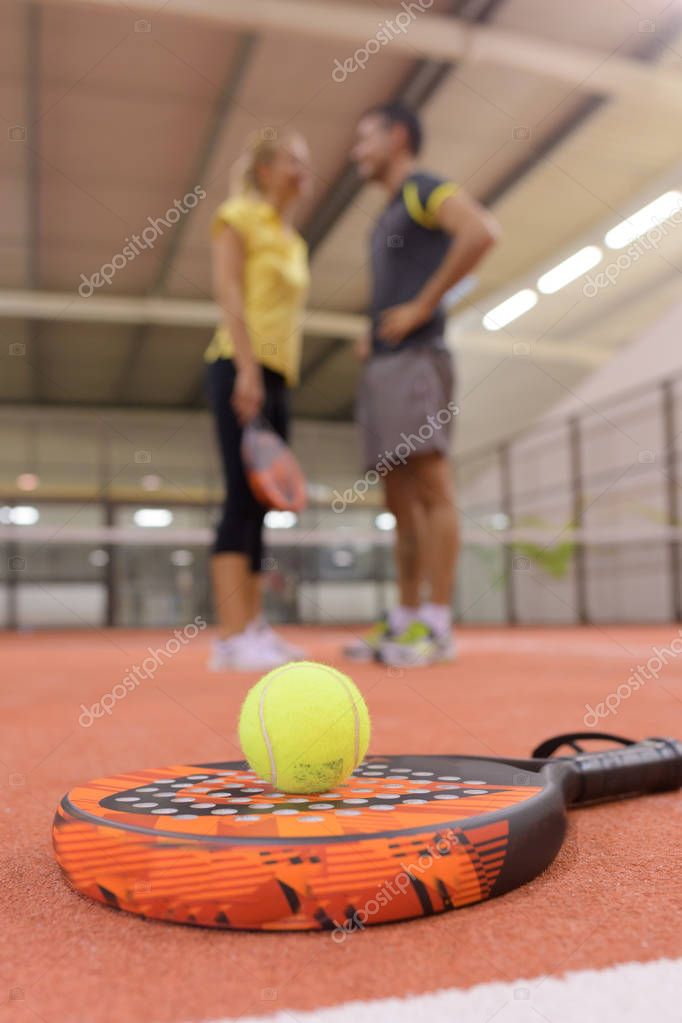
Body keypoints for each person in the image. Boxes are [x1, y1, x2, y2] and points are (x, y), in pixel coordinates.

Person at [346, 104, 500, 667]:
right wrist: (376, 332)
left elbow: (482, 231)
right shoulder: (388, 212)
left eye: (366, 137)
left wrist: (422, 306)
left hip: (417, 360)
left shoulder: (422, 189)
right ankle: (407, 617)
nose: (356, 150)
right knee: (399, 499)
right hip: (387, 361)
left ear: (398, 136)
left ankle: (437, 622)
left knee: (432, 484)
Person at [206, 131, 311, 671]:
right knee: (238, 499)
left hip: (278, 377)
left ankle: (252, 627)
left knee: (264, 505)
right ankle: (229, 638)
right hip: (237, 367)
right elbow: (229, 292)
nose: (304, 169)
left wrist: (270, 378)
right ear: (266, 168)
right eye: (294, 159)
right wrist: (246, 368)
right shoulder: (238, 216)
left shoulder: (294, 240)